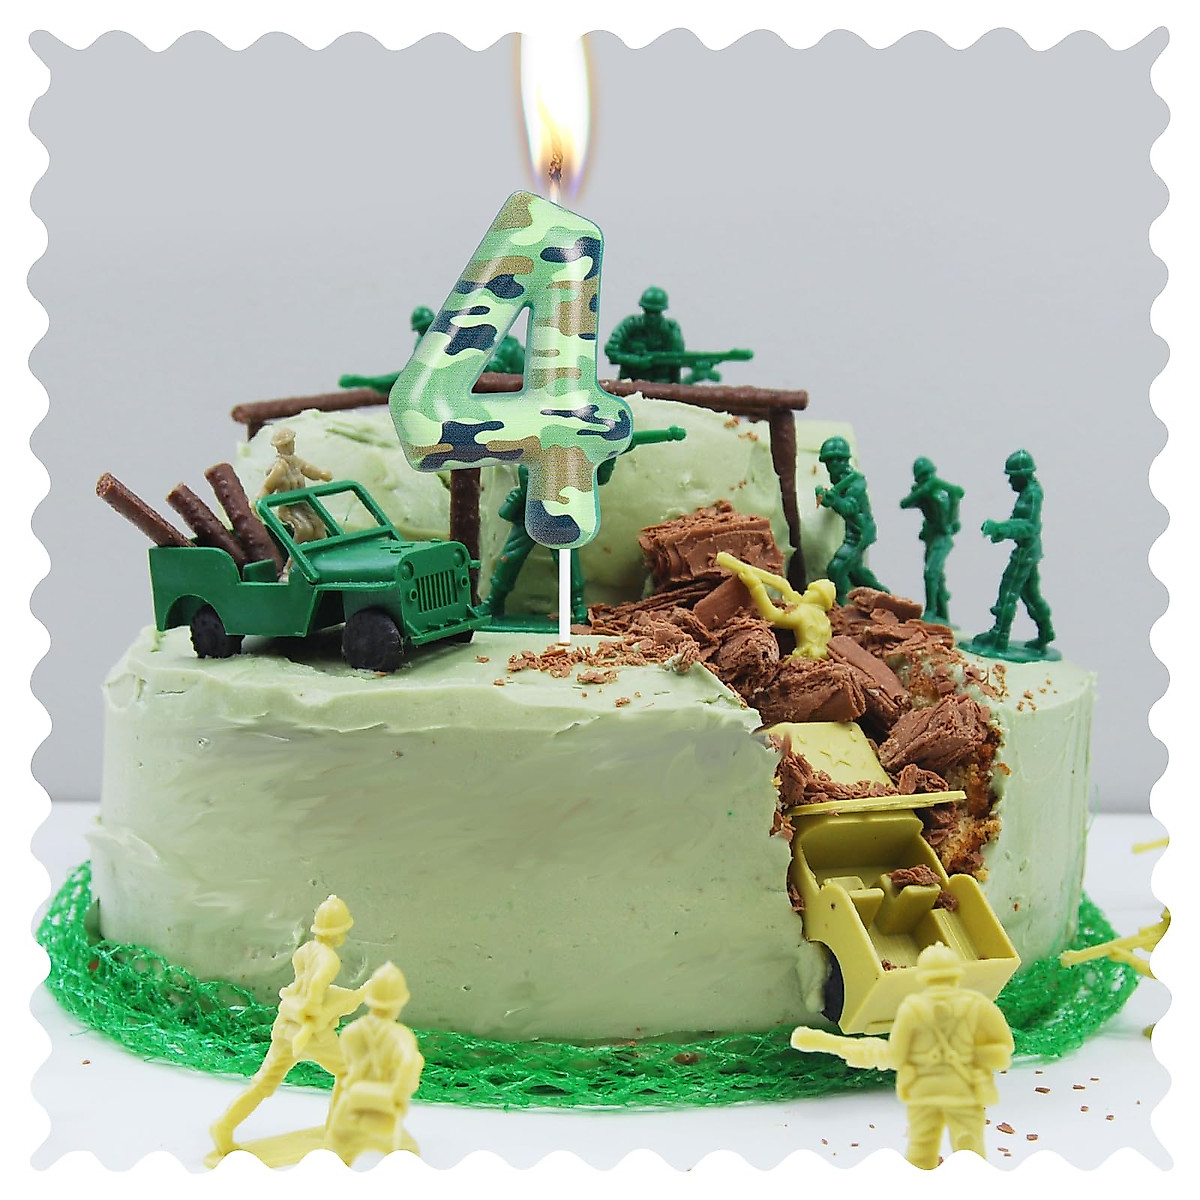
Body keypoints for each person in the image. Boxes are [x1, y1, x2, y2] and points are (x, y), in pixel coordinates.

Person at [791, 942, 1013, 1170]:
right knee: (944, 1151)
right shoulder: (959, 1008)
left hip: (952, 1090)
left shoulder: (942, 1009)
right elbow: (1002, 1050)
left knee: (941, 1150)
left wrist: (967, 1056)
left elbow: (894, 1056)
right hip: (942, 1092)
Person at [209, 896, 366, 1158]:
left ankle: (224, 1127)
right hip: (310, 1033)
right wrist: (320, 1010)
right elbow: (315, 992)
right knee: (347, 1073)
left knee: (261, 1085)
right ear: (338, 932)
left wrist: (347, 998)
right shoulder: (329, 960)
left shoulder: (305, 951)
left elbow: (302, 987)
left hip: (285, 1026)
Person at [324, 963, 425, 1164]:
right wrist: (399, 1094)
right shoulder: (401, 1037)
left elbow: (348, 1063)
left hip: (351, 1104)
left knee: (335, 1152)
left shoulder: (351, 1031)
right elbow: (409, 1063)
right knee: (403, 1156)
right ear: (398, 1004)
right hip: (384, 1110)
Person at [966, 449, 1056, 657]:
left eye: (1012, 476)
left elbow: (1028, 526)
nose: (1010, 481)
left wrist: (1001, 528)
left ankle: (1000, 636)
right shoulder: (1030, 492)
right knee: (1030, 595)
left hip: (1026, 551)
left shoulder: (1032, 494)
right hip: (1029, 549)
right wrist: (1002, 531)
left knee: (1009, 590)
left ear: (1023, 475)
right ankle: (1046, 631)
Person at [814, 435, 887, 603]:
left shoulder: (855, 483)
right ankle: (884, 596)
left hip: (861, 530)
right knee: (856, 572)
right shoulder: (839, 478)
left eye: (835, 461)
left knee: (837, 568)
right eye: (828, 462)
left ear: (843, 460)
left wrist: (834, 501)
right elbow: (833, 502)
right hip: (853, 529)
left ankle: (841, 608)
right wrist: (823, 497)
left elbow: (849, 508)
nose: (831, 465)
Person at [899, 456, 964, 624]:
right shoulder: (924, 494)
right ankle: (942, 615)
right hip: (931, 538)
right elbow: (905, 503)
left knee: (931, 572)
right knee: (937, 578)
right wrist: (923, 491)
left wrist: (950, 523)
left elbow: (955, 499)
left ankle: (931, 610)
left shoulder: (941, 495)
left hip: (942, 538)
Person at [259, 426, 333, 543]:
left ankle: (325, 550)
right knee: (304, 529)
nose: (291, 445)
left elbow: (308, 469)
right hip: (289, 507)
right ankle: (295, 554)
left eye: (291, 442)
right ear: (280, 447)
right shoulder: (279, 468)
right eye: (287, 443)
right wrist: (258, 503)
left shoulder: (296, 461)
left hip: (303, 503)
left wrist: (321, 474)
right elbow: (267, 487)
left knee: (318, 525)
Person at [604, 286, 686, 383]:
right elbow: (611, 350)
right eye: (648, 311)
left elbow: (676, 360)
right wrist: (636, 361)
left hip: (661, 382)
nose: (652, 317)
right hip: (630, 381)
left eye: (656, 313)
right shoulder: (630, 324)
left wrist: (676, 385)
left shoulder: (671, 328)